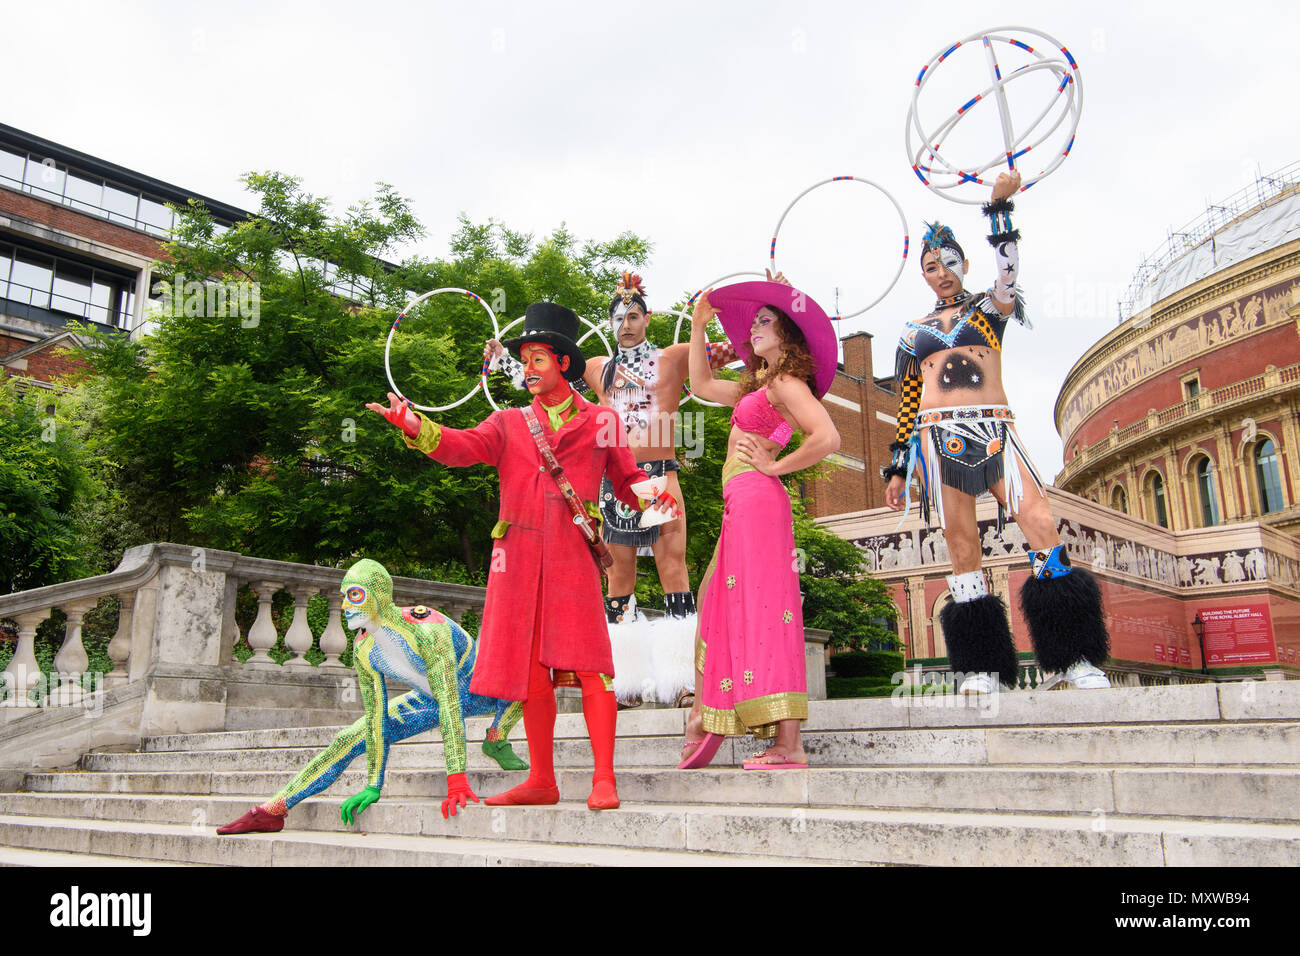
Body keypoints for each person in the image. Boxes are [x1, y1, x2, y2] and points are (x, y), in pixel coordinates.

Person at [370, 302, 679, 810]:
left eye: (538, 359)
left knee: (591, 665)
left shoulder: (602, 419)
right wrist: (414, 427)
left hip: (571, 558)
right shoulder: (508, 423)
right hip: (515, 562)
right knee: (530, 671)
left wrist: (659, 498)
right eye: (525, 359)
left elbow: (626, 482)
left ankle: (605, 778)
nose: (529, 369)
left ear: (562, 361)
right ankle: (542, 780)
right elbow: (460, 446)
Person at [882, 170, 1110, 693]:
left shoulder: (990, 307)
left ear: (966, 262)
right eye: (931, 266)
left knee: (1039, 520)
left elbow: (1009, 271)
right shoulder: (913, 332)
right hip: (938, 440)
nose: (942, 272)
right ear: (923, 274)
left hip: (995, 433)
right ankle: (984, 670)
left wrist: (999, 211)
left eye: (949, 262)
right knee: (962, 546)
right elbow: (908, 401)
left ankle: (1073, 659)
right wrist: (899, 467)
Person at [485, 273, 738, 709]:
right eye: (619, 318)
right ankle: (626, 684)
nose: (626, 324)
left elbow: (738, 352)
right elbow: (548, 379)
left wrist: (732, 319)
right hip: (615, 482)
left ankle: (683, 681)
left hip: (658, 477)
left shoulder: (673, 358)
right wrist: (501, 360)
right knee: (618, 576)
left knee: (671, 571)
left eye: (634, 316)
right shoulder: (600, 368)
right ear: (610, 323)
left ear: (648, 318)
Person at [216, 559, 527, 835]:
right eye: (345, 596)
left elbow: (450, 703)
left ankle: (496, 737)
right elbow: (376, 719)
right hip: (429, 700)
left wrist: (456, 778)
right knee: (348, 737)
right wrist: (373, 784)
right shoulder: (364, 648)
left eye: (355, 595)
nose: (347, 605)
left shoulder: (426, 627)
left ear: (377, 596)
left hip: (481, 688)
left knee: (525, 678)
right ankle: (274, 809)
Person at [677, 275, 840, 769]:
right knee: (724, 602)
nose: (755, 328)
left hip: (756, 496)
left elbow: (827, 437)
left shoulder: (787, 384)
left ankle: (786, 744)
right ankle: (710, 715)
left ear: (789, 336)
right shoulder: (764, 386)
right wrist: (700, 327)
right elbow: (699, 384)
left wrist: (774, 467)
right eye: (756, 323)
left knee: (763, 608)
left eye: (766, 321)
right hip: (742, 503)